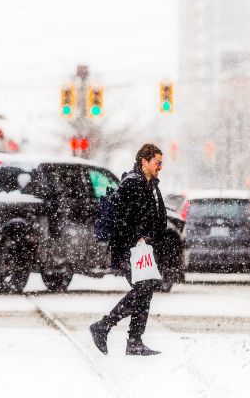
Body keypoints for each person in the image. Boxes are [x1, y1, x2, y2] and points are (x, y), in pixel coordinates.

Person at [90, 143, 167, 356]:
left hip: (142, 248)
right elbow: (120, 218)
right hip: (129, 249)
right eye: (157, 162)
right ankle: (103, 326)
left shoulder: (149, 184)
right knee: (143, 289)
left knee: (145, 289)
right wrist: (136, 237)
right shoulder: (132, 184)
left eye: (161, 163)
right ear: (144, 160)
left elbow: (151, 216)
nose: (160, 166)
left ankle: (134, 340)